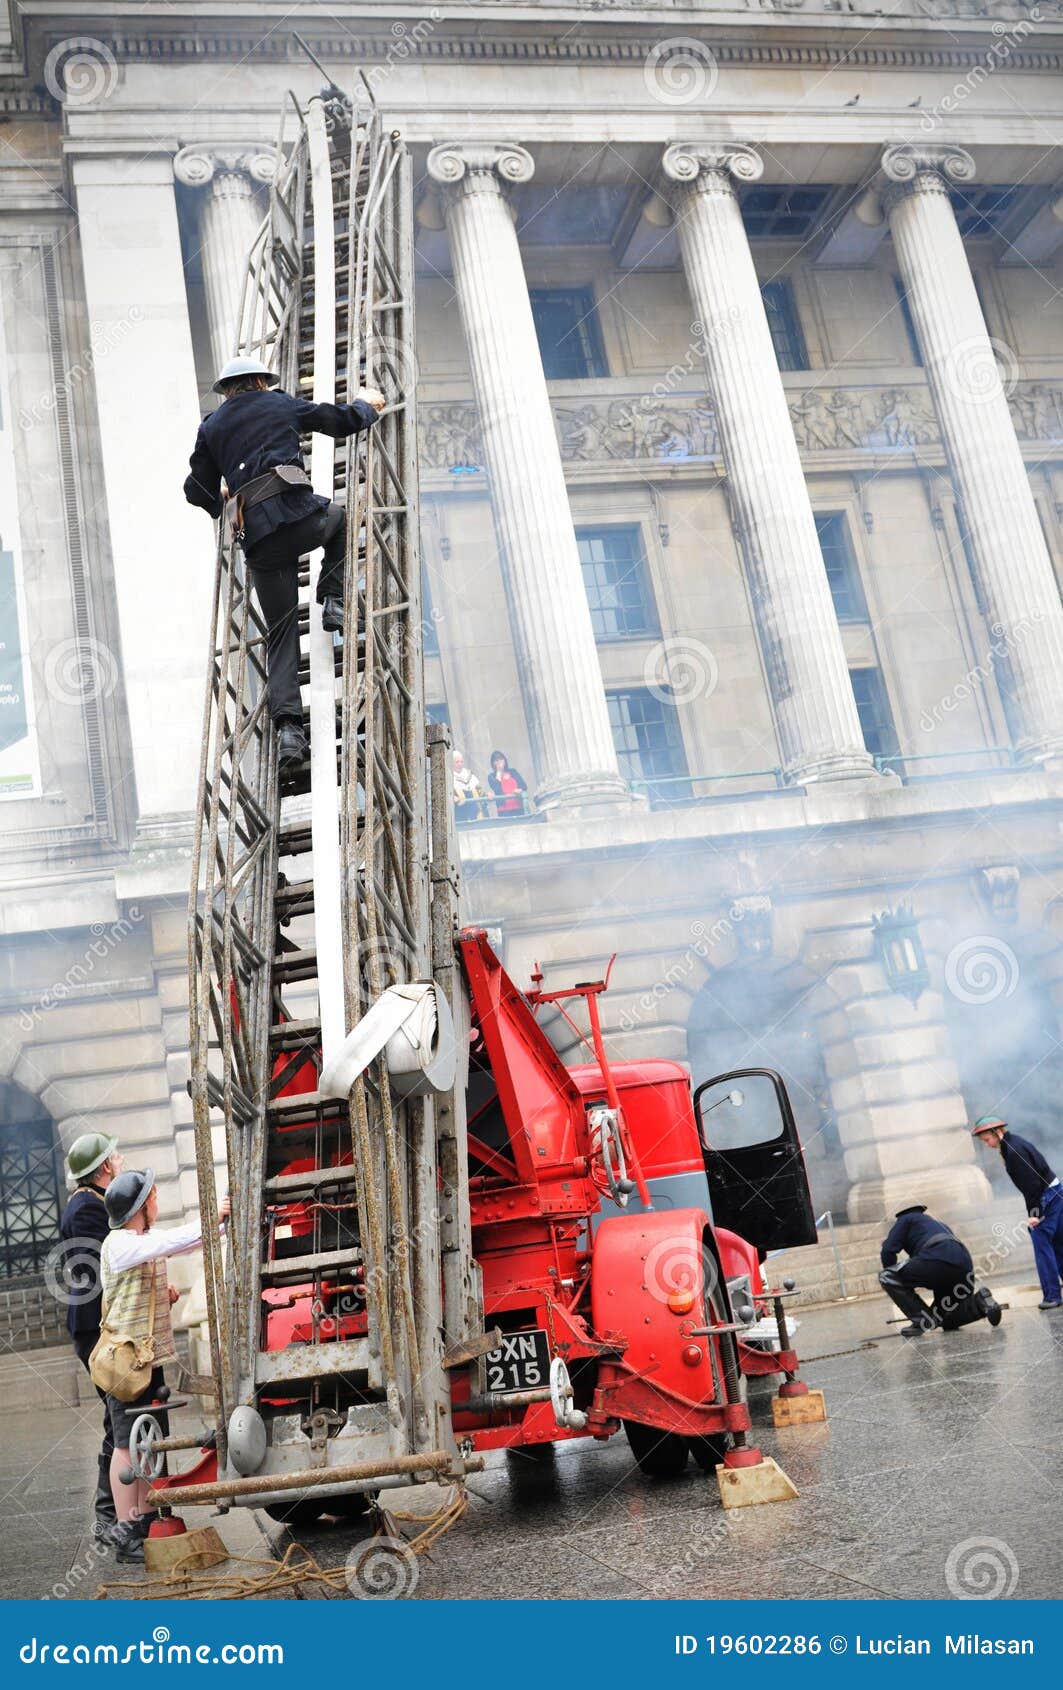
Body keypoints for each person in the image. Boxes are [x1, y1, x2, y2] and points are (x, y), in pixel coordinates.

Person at [183, 356, 385, 771]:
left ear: (227, 390)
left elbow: (195, 490)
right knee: (340, 519)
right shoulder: (279, 404)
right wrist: (367, 405)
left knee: (281, 634)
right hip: (300, 519)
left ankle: (290, 733)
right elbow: (339, 421)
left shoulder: (212, 427)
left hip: (259, 542)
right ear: (259, 381)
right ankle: (332, 599)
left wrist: (222, 494)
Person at [100, 1169, 231, 1562]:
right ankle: (125, 1534)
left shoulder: (140, 1241)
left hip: (146, 1359)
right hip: (125, 1364)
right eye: (153, 1196)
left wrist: (221, 1224)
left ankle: (142, 1522)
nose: (157, 1201)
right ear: (141, 1207)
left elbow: (190, 1243)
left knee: (147, 1442)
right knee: (126, 1446)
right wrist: (213, 1215)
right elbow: (178, 1239)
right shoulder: (119, 1243)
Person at [58, 1132, 123, 1545]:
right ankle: (109, 1518)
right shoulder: (86, 1208)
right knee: (118, 1419)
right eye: (115, 1156)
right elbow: (110, 1262)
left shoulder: (92, 1203)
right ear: (103, 1168)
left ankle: (119, 1513)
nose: (120, 1160)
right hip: (94, 1325)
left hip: (103, 1324)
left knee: (119, 1418)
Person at [972, 1114, 1063, 1310]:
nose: (987, 1144)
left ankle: (1052, 1296)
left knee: (1041, 1242)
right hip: (1055, 1192)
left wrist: (1035, 1214)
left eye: (987, 1139)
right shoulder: (1014, 1144)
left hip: (1046, 1196)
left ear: (997, 1132)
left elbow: (1031, 1185)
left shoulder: (1013, 1151)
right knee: (1058, 1242)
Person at [879, 1204, 1001, 1337]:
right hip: (964, 1270)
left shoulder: (905, 1219)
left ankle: (922, 1321)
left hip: (937, 1260)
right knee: (944, 1319)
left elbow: (887, 1251)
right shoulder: (939, 1224)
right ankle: (980, 1303)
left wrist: (895, 1283)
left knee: (886, 1276)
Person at [487, 749, 528, 818]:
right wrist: (499, 772)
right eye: (496, 760)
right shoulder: (491, 776)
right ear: (493, 763)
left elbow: (524, 786)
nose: (499, 762)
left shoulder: (513, 772)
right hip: (504, 810)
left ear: (504, 760)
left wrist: (519, 790)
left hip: (518, 807)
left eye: (501, 759)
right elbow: (497, 790)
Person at [452, 750, 484, 822]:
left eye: (461, 761)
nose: (460, 764)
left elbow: (480, 791)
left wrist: (487, 794)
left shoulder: (469, 774)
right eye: (457, 762)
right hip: (460, 812)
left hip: (475, 810)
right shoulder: (449, 776)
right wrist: (452, 797)